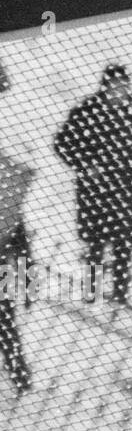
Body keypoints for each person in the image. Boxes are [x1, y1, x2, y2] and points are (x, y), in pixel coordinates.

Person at [53, 63, 132, 304]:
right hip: (96, 190)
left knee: (123, 246)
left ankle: (120, 296)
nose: (120, 93)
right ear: (106, 87)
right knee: (96, 242)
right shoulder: (86, 111)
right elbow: (62, 143)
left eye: (124, 88)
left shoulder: (127, 114)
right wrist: (86, 165)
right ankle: (91, 291)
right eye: (116, 87)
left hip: (125, 190)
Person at [0, 149, 35, 396]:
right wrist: (28, 287)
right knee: (6, 326)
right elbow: (23, 251)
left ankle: (20, 374)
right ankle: (19, 375)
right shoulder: (9, 214)